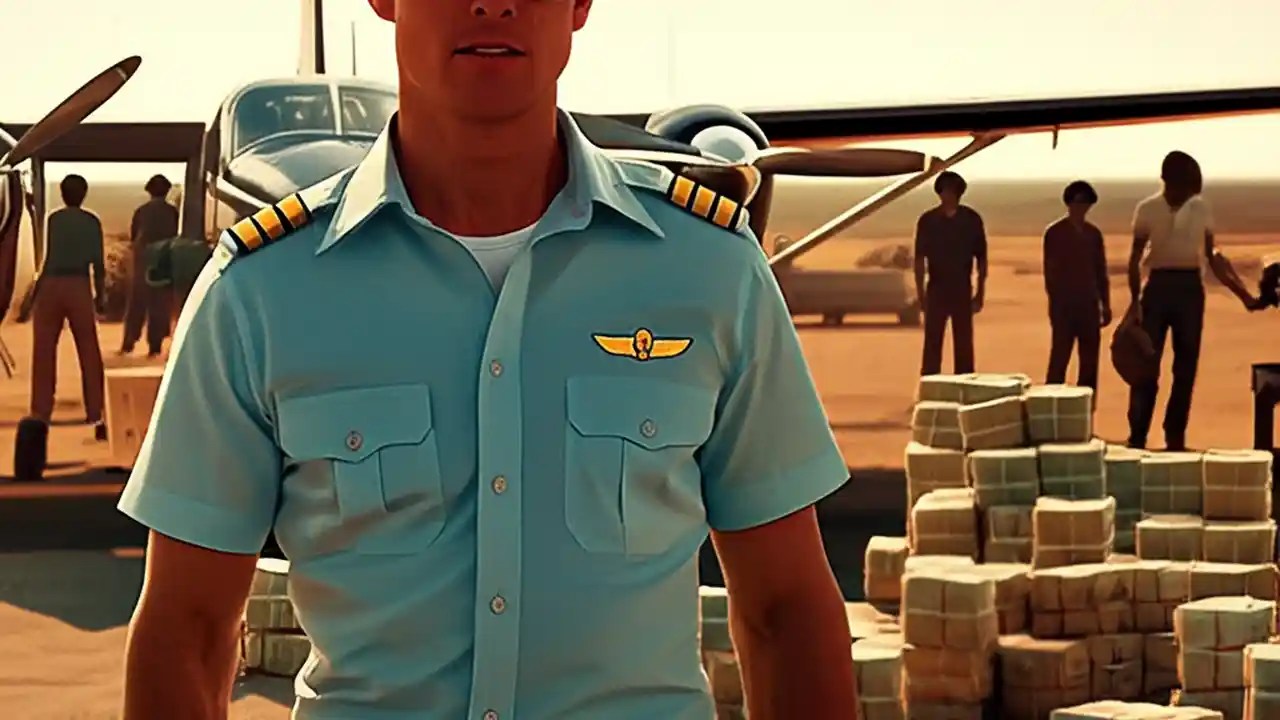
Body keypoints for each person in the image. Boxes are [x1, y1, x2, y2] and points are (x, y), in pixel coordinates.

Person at [117, 2, 858, 719]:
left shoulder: (711, 268)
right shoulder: (258, 290)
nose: (494, 4)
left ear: (580, 3)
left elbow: (785, 611)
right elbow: (187, 627)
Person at [1126, 151, 1257, 450]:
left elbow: (1213, 257)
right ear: (1168, 181)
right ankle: (1138, 435)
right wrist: (1135, 303)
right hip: (1157, 287)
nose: (1186, 193)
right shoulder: (1147, 209)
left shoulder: (1201, 209)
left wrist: (1244, 294)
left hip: (1189, 289)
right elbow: (1135, 259)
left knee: (1186, 368)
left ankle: (1175, 436)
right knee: (1146, 366)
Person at [30, 174, 106, 440]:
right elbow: (98, 261)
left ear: (62, 194)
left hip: (51, 284)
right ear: (83, 194)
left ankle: (40, 411)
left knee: (43, 350)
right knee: (88, 349)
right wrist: (102, 293)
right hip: (79, 284)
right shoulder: (91, 221)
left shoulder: (54, 219)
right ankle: (95, 409)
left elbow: (46, 257)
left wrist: (34, 294)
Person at [913, 170, 988, 375]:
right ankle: (929, 386)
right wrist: (920, 294)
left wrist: (980, 293)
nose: (948, 195)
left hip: (962, 289)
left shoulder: (971, 220)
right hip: (936, 288)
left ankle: (964, 386)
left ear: (959, 193)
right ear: (939, 193)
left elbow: (981, 260)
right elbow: (919, 259)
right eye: (945, 191)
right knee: (932, 343)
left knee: (964, 344)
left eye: (952, 191)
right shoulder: (928, 221)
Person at [1042, 180, 1111, 395]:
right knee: (1060, 359)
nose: (1082, 207)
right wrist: (1056, 306)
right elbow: (1050, 275)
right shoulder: (1054, 232)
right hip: (1064, 307)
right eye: (1078, 202)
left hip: (1089, 306)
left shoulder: (1094, 234)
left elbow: (1101, 271)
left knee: (1089, 363)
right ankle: (1050, 405)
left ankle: (1086, 412)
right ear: (1069, 203)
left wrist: (1105, 304)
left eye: (1086, 203)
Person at [119, 174, 178, 357]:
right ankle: (155, 345)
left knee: (137, 302)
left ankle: (129, 342)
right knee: (159, 303)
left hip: (143, 258)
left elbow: (134, 235)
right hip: (163, 258)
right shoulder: (172, 212)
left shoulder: (142, 211)